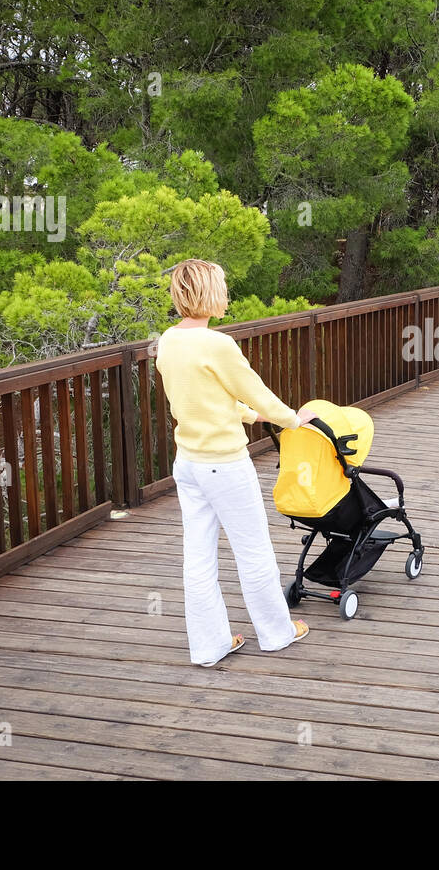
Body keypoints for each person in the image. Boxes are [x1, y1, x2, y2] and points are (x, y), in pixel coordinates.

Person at [154, 258, 315, 666]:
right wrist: (293, 419)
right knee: (254, 551)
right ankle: (277, 633)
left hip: (188, 464)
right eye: (222, 288)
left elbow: (199, 396)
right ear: (209, 293)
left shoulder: (168, 340)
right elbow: (256, 391)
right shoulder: (217, 344)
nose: (226, 295)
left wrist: (248, 415)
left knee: (199, 556)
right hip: (224, 464)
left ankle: (209, 646)